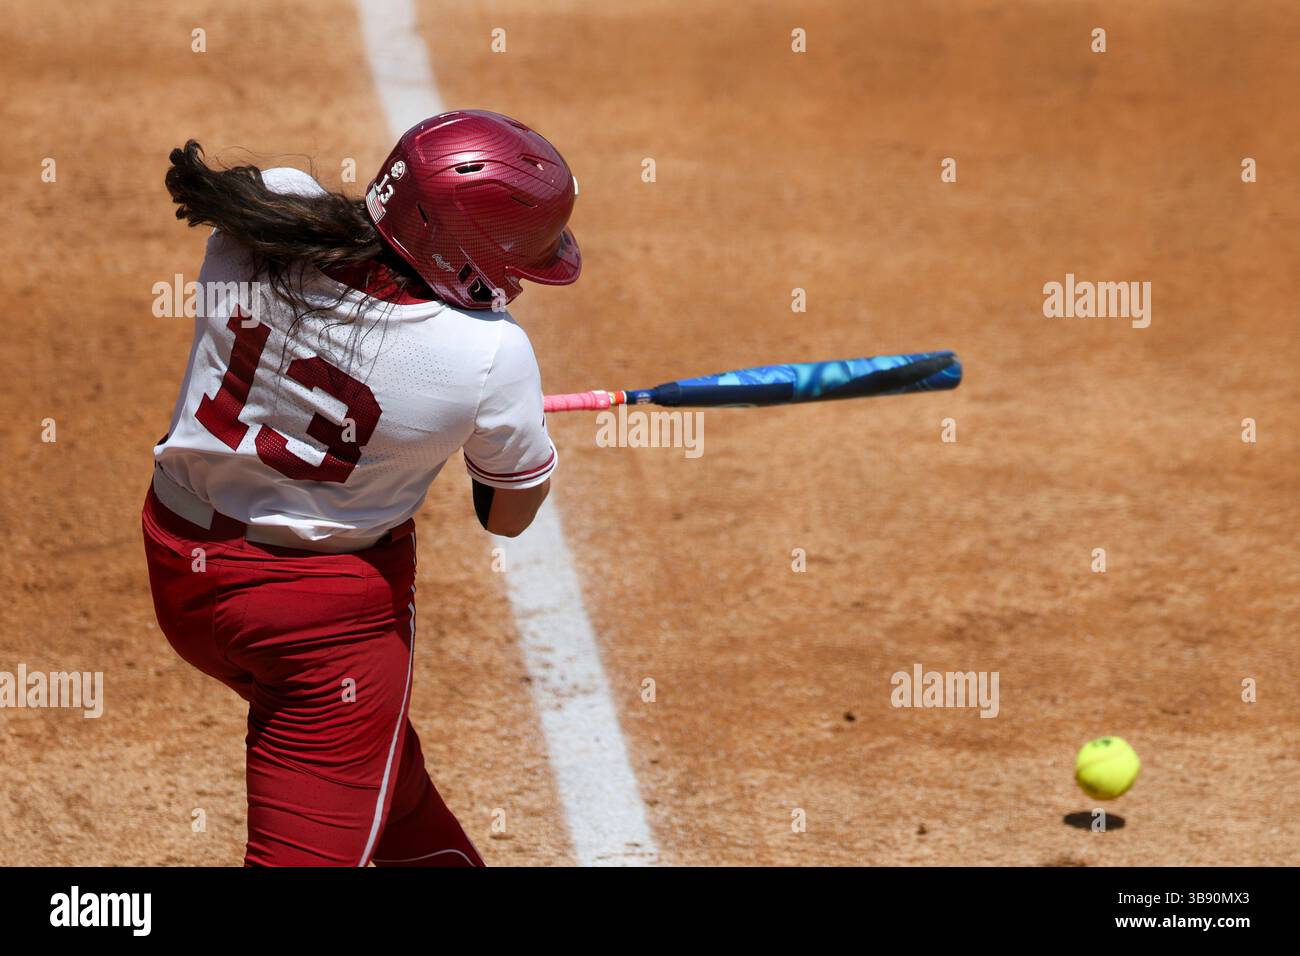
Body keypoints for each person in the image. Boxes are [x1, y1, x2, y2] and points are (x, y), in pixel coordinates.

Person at [142, 109, 580, 866]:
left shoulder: (267, 217)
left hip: (180, 567)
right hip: (317, 631)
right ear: (474, 259)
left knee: (383, 787)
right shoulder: (490, 358)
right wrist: (513, 423)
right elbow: (507, 514)